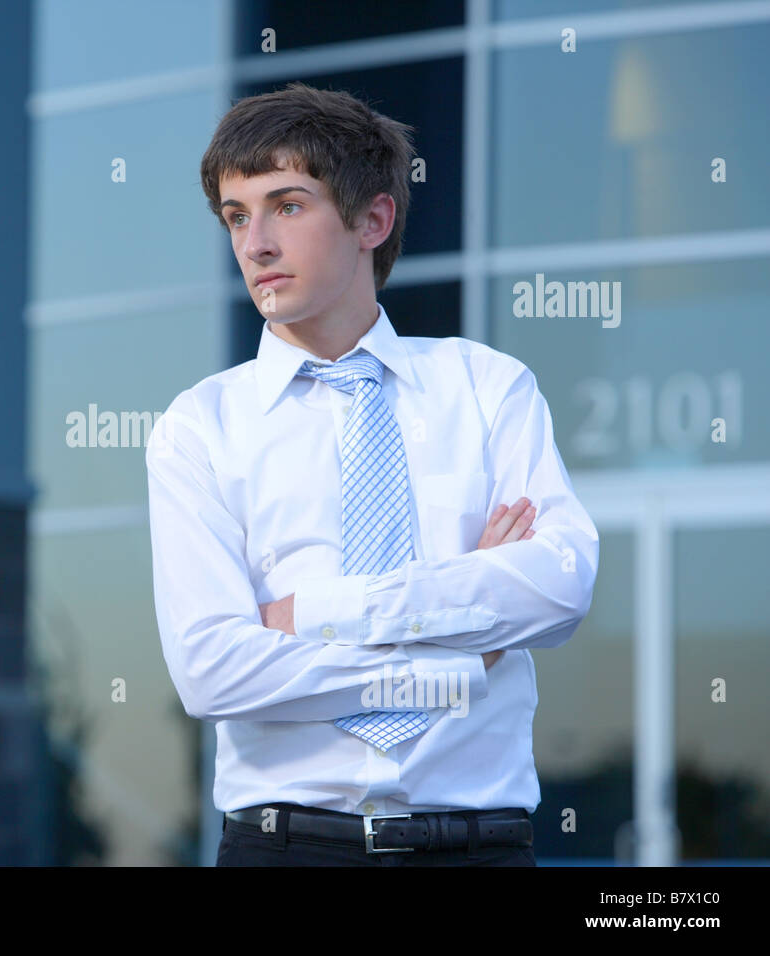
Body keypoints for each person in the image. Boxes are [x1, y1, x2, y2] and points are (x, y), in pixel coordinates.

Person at [144, 83, 599, 866]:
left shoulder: (487, 389)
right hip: (284, 850)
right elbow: (213, 673)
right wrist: (450, 662)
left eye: (286, 205)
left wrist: (317, 612)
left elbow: (559, 584)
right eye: (235, 215)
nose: (254, 243)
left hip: (476, 849)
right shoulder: (199, 427)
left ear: (373, 220)